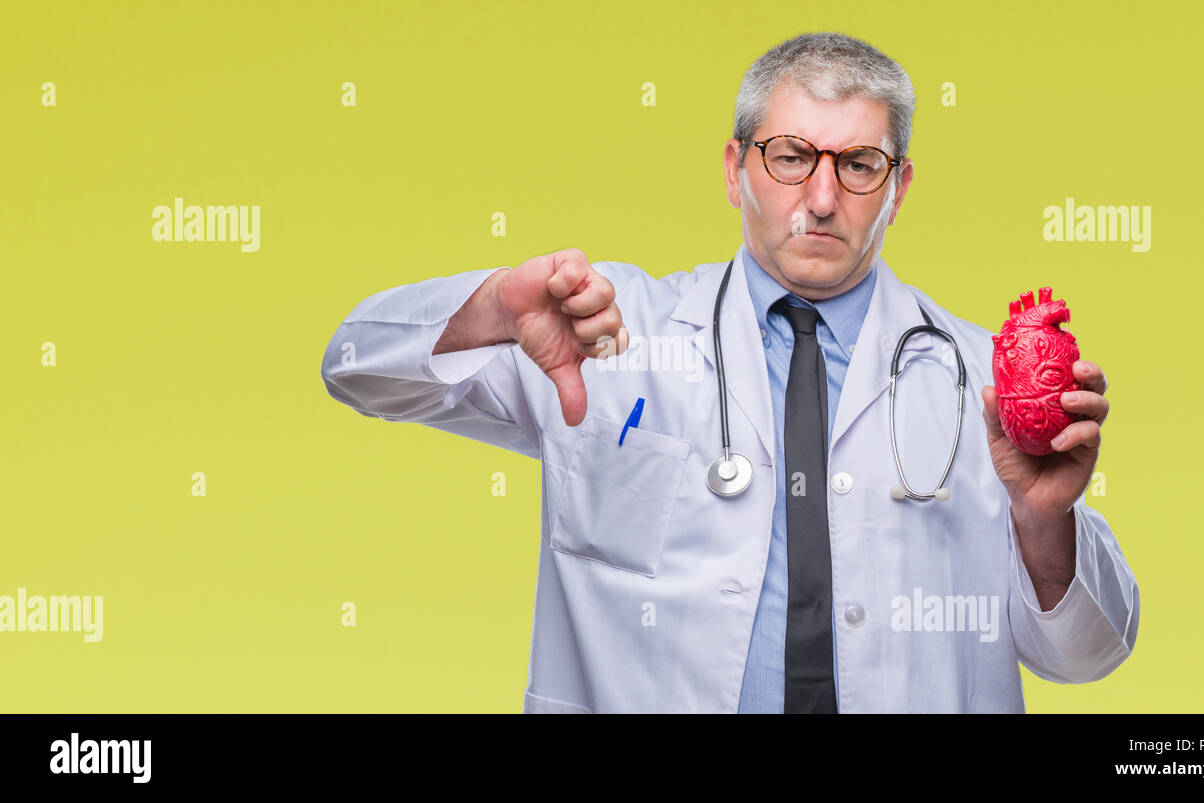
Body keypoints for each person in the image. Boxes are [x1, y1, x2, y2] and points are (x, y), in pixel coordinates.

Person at [320, 32, 1138, 713]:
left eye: (858, 165)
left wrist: (1041, 522)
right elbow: (356, 364)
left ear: (899, 188)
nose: (820, 198)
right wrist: (494, 307)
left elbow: (1087, 654)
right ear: (734, 167)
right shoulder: (604, 330)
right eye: (789, 157)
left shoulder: (975, 378)